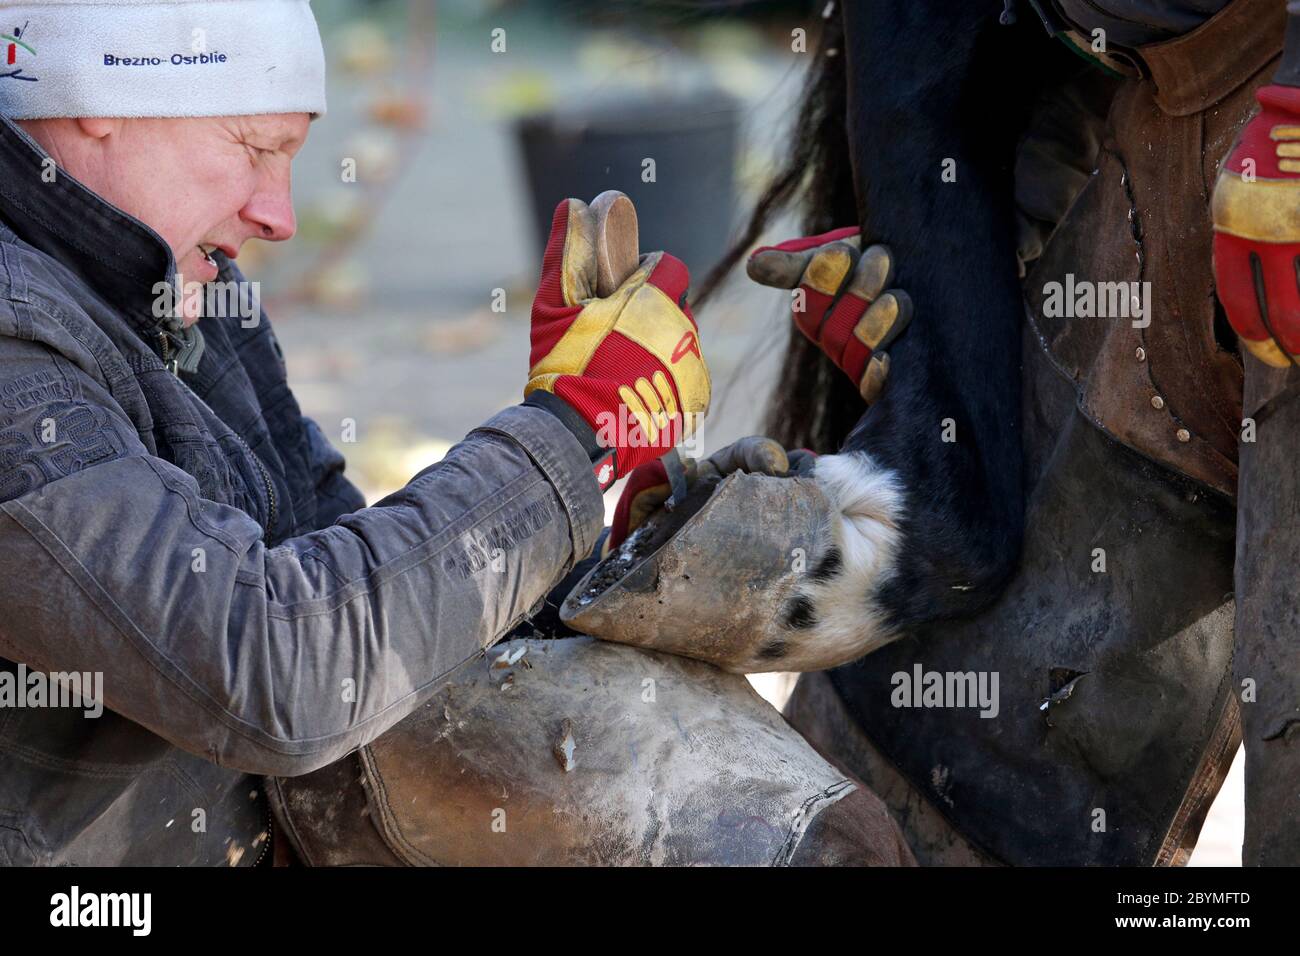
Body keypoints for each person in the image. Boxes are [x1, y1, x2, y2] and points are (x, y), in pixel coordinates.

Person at [0, 0, 710, 865]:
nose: (279, 216)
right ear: (101, 98)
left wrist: (611, 544)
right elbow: (277, 670)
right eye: (257, 150)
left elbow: (347, 596)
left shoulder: (177, 286)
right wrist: (569, 438)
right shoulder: (15, 341)